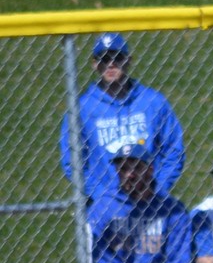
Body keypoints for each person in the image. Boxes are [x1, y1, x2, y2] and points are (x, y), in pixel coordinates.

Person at [60, 33, 185, 203]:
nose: (111, 64)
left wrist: (157, 189)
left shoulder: (153, 102)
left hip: (151, 202)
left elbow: (174, 149)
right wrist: (103, 198)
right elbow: (72, 162)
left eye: (117, 57)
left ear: (128, 60)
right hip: (106, 208)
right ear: (95, 64)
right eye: (104, 59)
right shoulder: (82, 109)